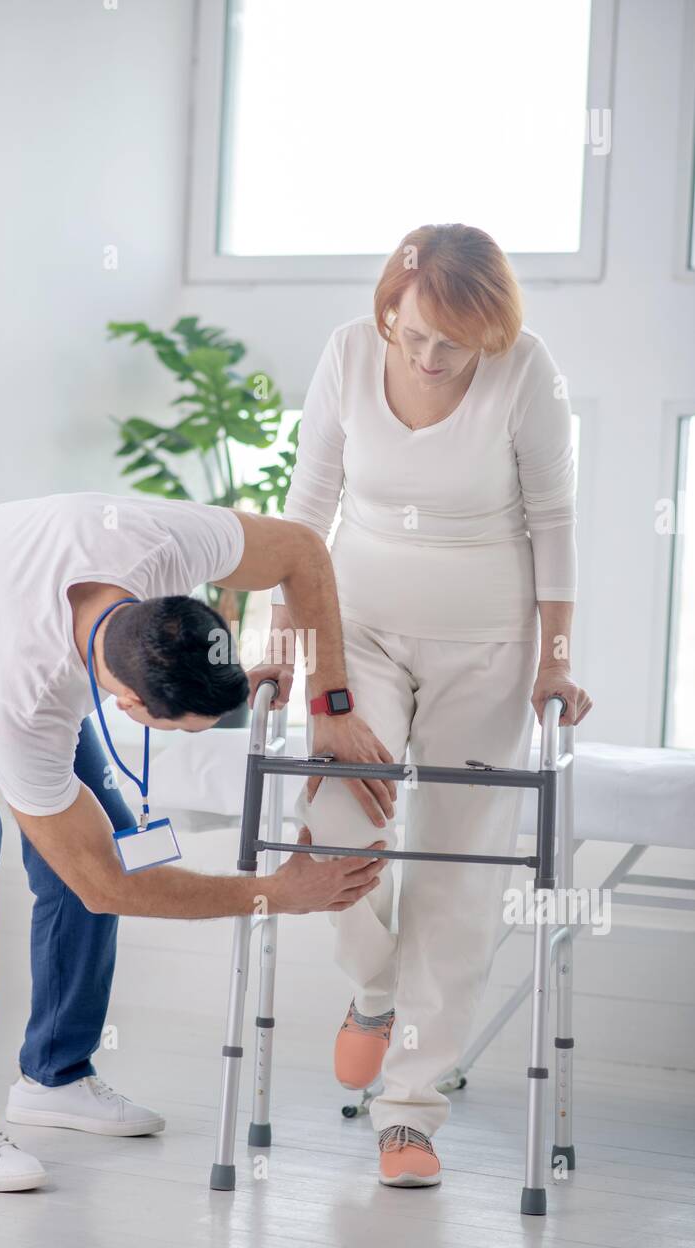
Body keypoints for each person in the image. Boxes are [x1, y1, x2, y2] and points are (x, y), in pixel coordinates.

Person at [0, 493, 388, 1192]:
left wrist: (329, 704)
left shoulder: (164, 544)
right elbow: (104, 883)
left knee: (113, 832)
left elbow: (303, 550)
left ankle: (55, 1077)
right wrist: (275, 894)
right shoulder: (26, 695)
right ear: (131, 707)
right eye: (186, 726)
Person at [254, 224, 593, 1189]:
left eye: (457, 344)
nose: (434, 359)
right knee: (331, 820)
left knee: (457, 869)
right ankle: (372, 989)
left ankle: (408, 1112)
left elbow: (555, 523)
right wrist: (287, 650)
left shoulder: (526, 372)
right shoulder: (349, 354)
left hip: (487, 645)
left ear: (491, 332)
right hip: (354, 626)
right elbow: (306, 503)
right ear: (388, 308)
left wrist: (555, 663)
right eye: (416, 337)